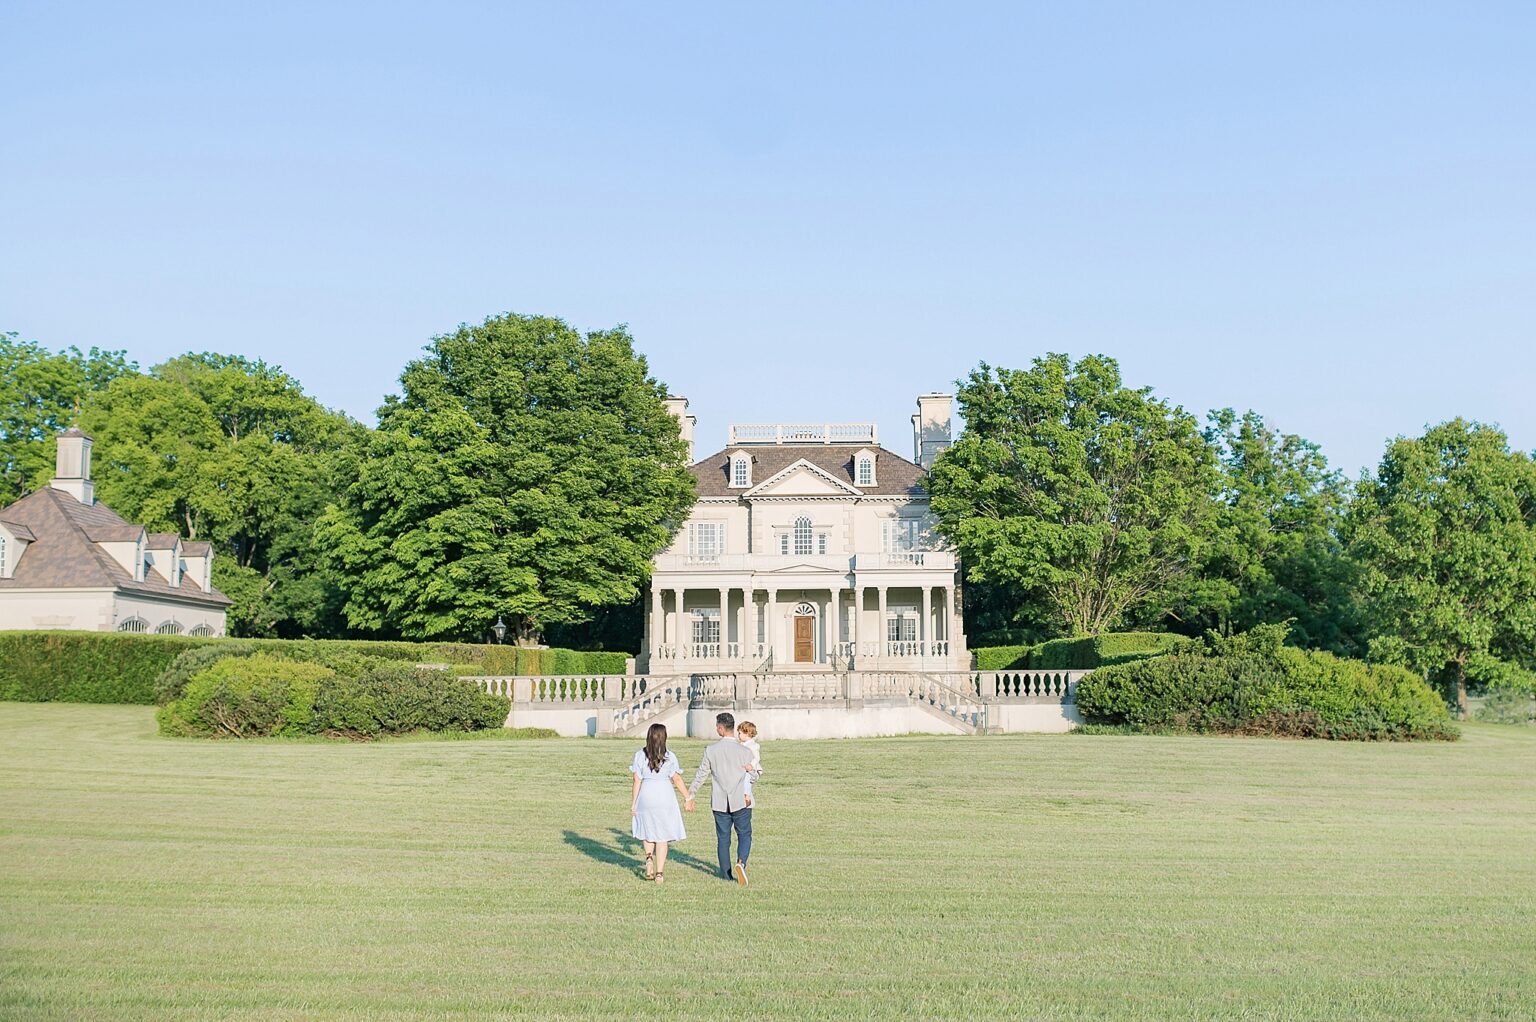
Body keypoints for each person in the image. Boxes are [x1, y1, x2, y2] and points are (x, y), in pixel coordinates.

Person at [685, 711, 759, 886]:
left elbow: (701, 775)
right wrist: (752, 772)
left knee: (723, 839)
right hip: (740, 800)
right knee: (745, 834)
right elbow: (753, 776)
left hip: (719, 801)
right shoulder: (745, 751)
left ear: (720, 728)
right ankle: (741, 862)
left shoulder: (711, 750)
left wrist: (691, 794)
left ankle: (726, 875)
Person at [630, 723, 689, 885]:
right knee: (662, 835)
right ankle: (659, 873)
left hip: (646, 794)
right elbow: (676, 778)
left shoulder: (640, 755)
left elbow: (636, 780)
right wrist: (687, 796)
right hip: (664, 795)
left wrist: (633, 803)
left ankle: (649, 858)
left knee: (648, 829)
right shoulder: (670, 756)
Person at [737, 720, 762, 807]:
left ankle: (747, 796)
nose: (738, 735)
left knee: (747, 778)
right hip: (745, 768)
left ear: (746, 733)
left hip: (751, 769)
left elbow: (756, 758)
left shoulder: (753, 745)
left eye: (739, 733)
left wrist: (751, 765)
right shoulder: (742, 745)